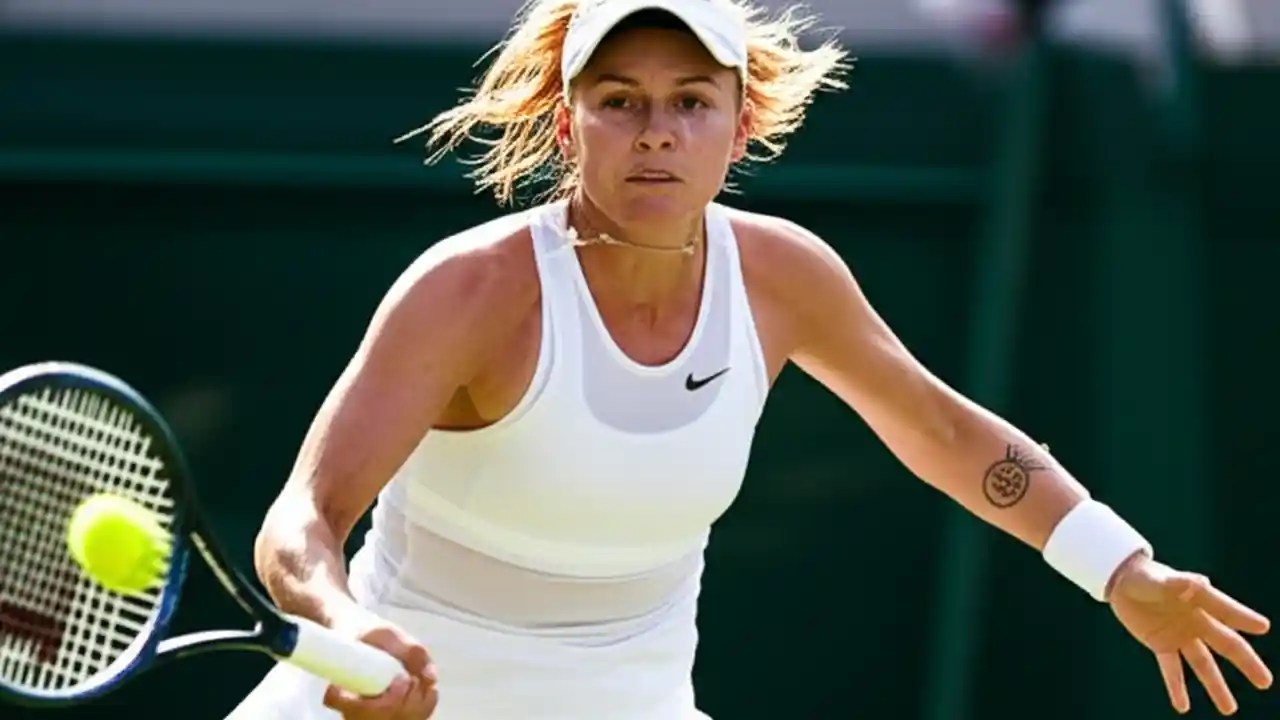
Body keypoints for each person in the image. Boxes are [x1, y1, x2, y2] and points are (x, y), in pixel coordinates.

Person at [227, 0, 1273, 718]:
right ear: (568, 126)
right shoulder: (468, 290)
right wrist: (347, 627)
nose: (656, 132)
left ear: (739, 128)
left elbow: (944, 431)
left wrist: (1119, 567)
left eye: (691, 100)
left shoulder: (783, 277)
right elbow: (303, 518)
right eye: (619, 100)